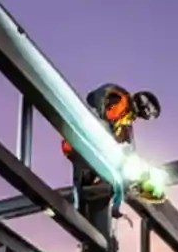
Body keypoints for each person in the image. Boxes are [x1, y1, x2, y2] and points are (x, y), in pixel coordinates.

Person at [60, 84, 161, 217]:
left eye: (150, 113)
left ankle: (87, 210)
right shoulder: (120, 98)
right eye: (148, 110)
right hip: (83, 141)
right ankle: (76, 208)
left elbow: (128, 149)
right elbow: (94, 98)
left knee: (98, 181)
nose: (147, 113)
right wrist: (103, 116)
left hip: (93, 151)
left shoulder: (126, 124)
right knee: (82, 181)